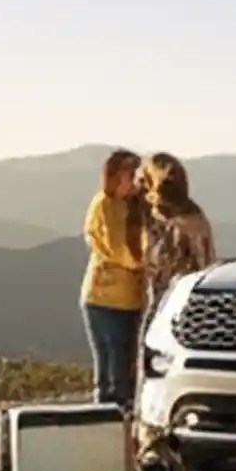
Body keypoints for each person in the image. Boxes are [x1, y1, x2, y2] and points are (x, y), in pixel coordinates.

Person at [135, 151, 217, 471]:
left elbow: (157, 264)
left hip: (168, 309)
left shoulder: (173, 227)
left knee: (154, 378)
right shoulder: (197, 219)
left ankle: (154, 448)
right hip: (194, 308)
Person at [80, 149, 149, 410]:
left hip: (130, 299)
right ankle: (106, 423)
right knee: (111, 372)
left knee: (126, 369)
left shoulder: (134, 206)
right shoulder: (104, 206)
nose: (133, 182)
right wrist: (148, 262)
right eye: (129, 176)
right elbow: (119, 249)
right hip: (104, 298)